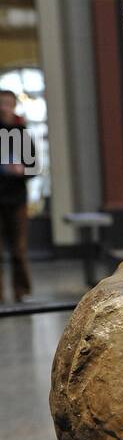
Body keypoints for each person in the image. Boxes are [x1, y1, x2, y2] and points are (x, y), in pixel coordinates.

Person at [0, 86, 34, 303]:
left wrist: (22, 170)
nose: (5, 106)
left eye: (8, 102)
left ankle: (21, 292)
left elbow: (33, 165)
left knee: (19, 249)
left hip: (17, 198)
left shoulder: (22, 132)